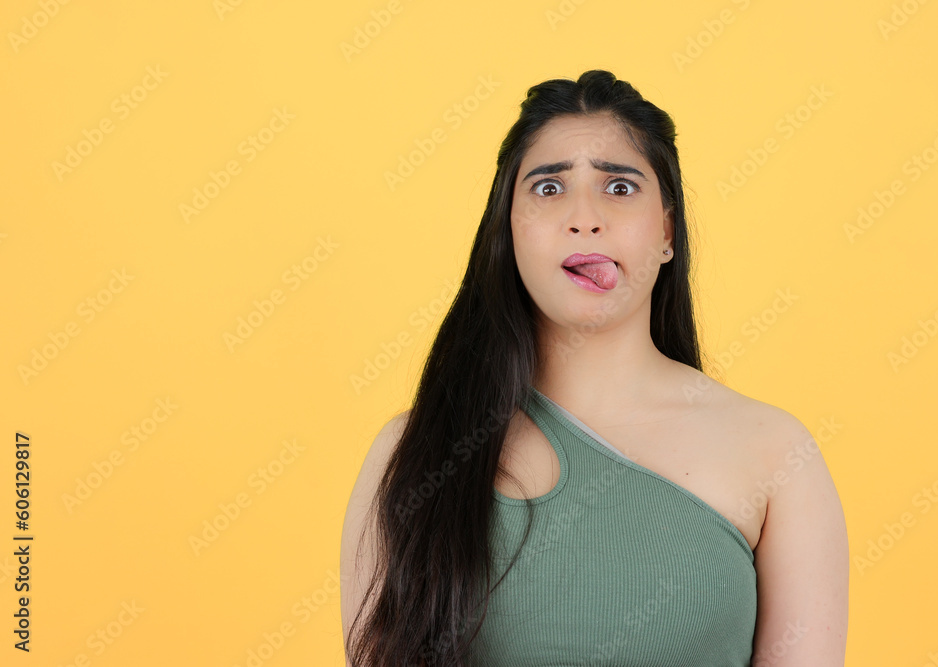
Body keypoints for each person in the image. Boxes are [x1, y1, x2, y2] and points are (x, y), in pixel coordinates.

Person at [340, 69, 848, 666]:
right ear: (509, 228)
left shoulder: (777, 454)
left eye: (620, 187)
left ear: (667, 230)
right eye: (549, 188)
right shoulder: (413, 452)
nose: (584, 218)